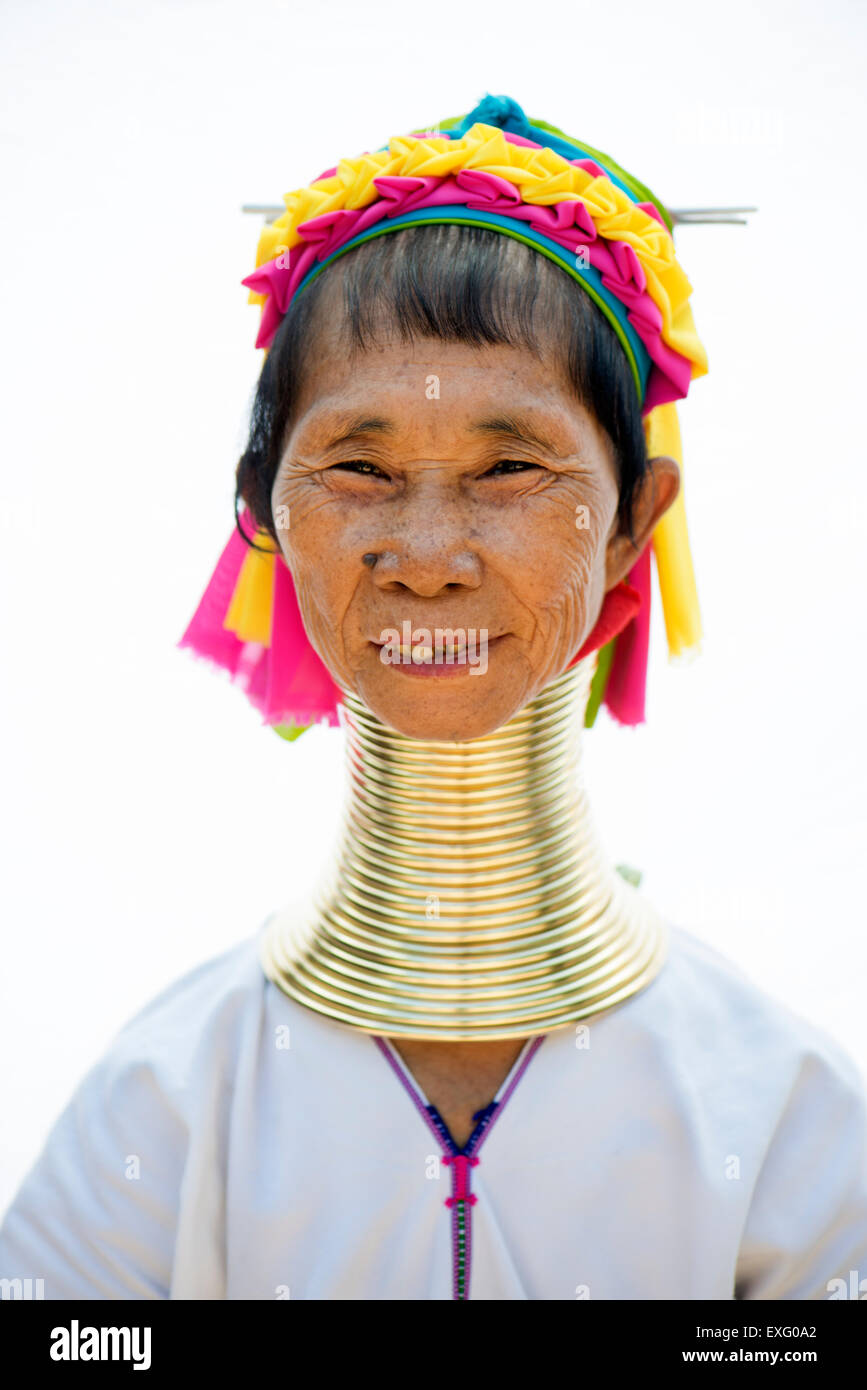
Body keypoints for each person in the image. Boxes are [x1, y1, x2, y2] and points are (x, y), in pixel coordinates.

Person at [1, 94, 866, 1302]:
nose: (425, 554)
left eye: (510, 466)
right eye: (357, 466)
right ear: (265, 509)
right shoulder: (166, 1110)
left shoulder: (786, 1130)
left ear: (633, 521)